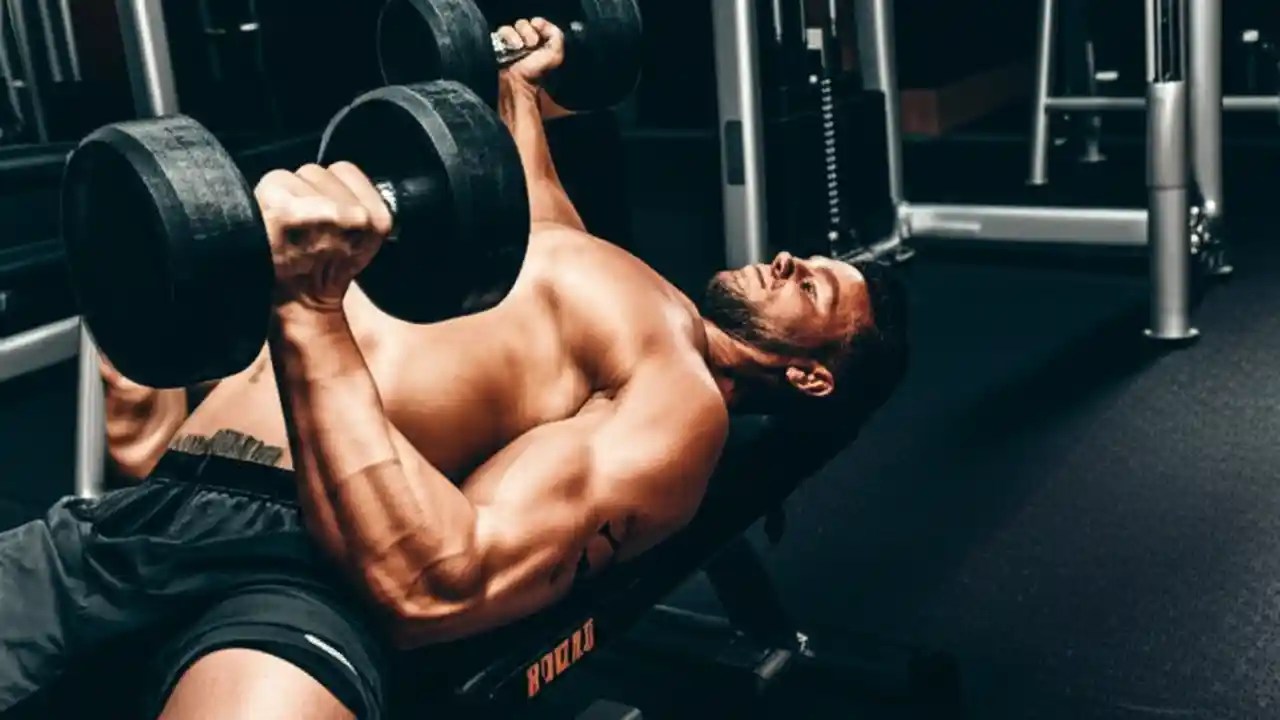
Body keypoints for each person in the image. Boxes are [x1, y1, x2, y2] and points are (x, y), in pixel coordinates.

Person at [0, 17, 908, 720]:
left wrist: (310, 304)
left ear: (813, 377)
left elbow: (443, 582)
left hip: (299, 572)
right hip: (132, 519)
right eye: (807, 257)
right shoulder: (607, 278)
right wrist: (518, 88)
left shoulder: (678, 405)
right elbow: (528, 214)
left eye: (819, 288)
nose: (790, 260)